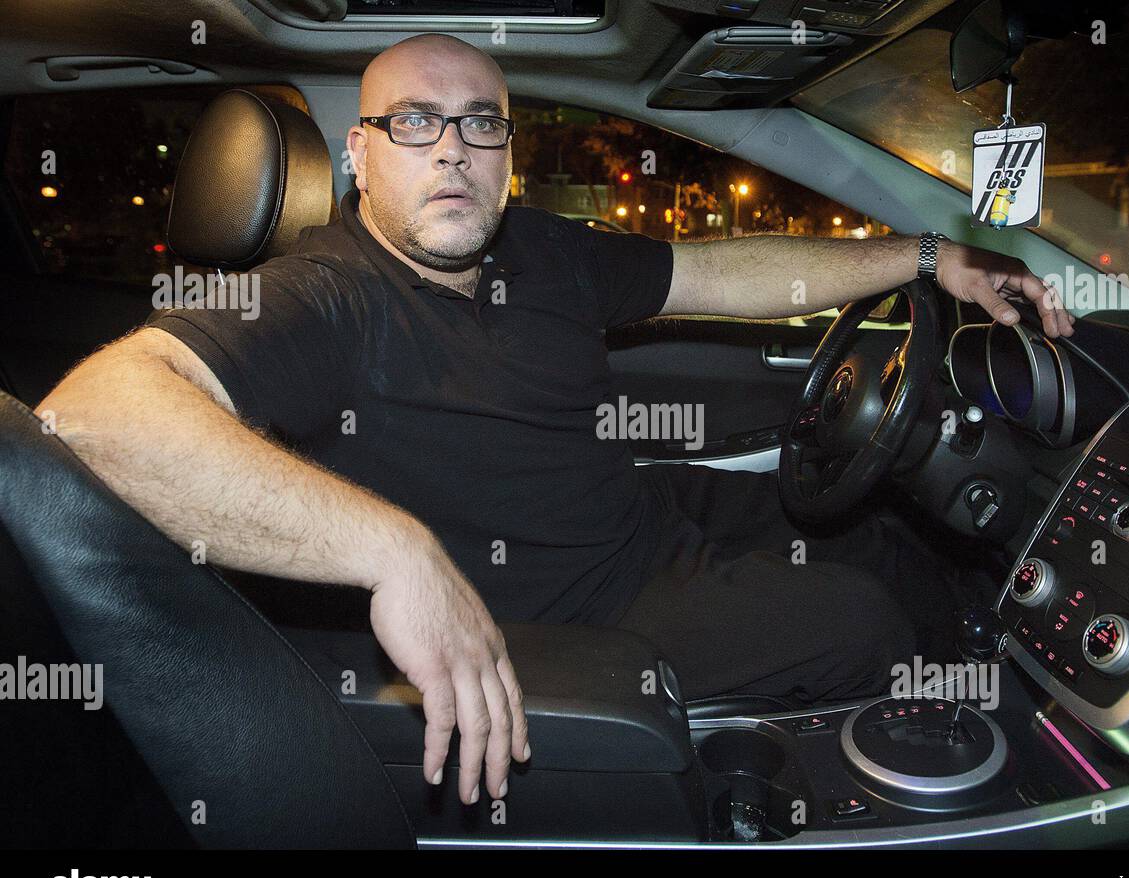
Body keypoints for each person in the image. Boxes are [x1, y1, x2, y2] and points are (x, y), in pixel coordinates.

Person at [37, 34, 1074, 808]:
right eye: (413, 122)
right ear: (362, 152)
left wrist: (932, 257)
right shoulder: (320, 293)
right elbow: (92, 416)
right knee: (865, 618)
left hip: (635, 517)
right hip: (581, 621)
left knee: (884, 532)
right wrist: (392, 552)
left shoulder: (540, 250)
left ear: (506, 149)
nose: (452, 149)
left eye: (480, 121)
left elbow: (722, 272)